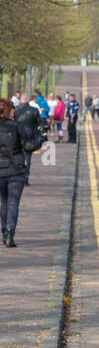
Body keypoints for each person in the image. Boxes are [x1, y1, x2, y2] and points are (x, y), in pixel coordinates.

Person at [0, 98, 27, 246]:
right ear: (8, 110)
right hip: (15, 171)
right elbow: (28, 145)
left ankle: (4, 232)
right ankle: (10, 234)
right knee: (13, 202)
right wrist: (42, 139)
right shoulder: (16, 126)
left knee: (4, 201)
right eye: (12, 108)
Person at [13, 94, 41, 183]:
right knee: (27, 158)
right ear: (28, 100)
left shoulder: (15, 110)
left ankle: (17, 176)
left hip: (16, 136)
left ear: (21, 100)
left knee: (16, 156)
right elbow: (39, 124)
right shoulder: (34, 110)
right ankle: (25, 177)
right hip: (29, 136)